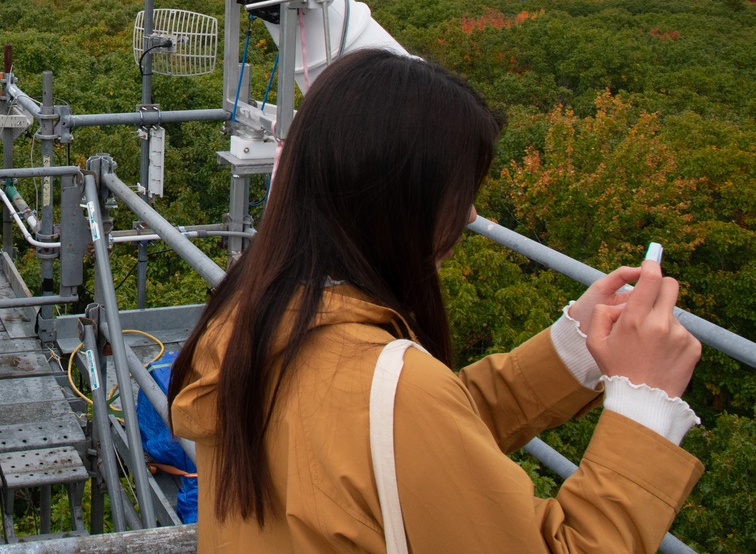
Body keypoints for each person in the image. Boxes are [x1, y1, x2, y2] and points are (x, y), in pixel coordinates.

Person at [168, 48, 704, 554]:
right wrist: (644, 407)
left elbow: (416, 445)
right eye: (456, 192)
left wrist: (574, 351)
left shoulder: (252, 314)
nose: (469, 216)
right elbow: (407, 422)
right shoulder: (386, 384)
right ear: (396, 200)